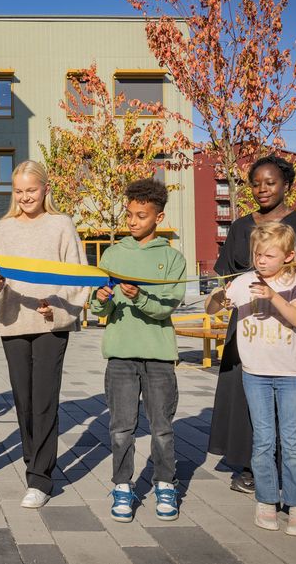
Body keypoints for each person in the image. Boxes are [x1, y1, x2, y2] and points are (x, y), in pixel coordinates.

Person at [208, 155, 296, 493]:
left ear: (287, 185)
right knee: (249, 397)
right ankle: (250, 468)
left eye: (270, 182)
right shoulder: (241, 227)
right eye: (255, 183)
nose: (262, 189)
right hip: (250, 326)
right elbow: (224, 278)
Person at [0, 160, 89, 509]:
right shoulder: (4, 228)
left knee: (43, 401)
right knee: (24, 402)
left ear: (45, 189)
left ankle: (40, 478)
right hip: (13, 323)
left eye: (31, 190)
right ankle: (33, 463)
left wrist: (57, 310)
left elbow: (80, 276)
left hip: (48, 325)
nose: (25, 197)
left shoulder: (61, 224)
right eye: (19, 191)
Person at [89, 178, 187, 522]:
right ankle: (122, 486)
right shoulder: (113, 254)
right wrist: (99, 300)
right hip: (120, 356)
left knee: (161, 428)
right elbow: (99, 310)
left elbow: (165, 308)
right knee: (120, 428)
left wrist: (139, 296)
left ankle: (164, 484)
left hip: (159, 357)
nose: (132, 221)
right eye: (129, 214)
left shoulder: (173, 259)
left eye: (141, 216)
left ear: (158, 218)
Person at [207, 222, 296, 536]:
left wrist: (272, 296)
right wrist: (218, 300)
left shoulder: (295, 283)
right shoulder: (243, 282)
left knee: (293, 441)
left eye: (269, 254)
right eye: (258, 254)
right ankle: (266, 499)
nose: (262, 260)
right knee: (263, 439)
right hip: (255, 373)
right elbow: (212, 308)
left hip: (291, 374)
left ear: (288, 255)